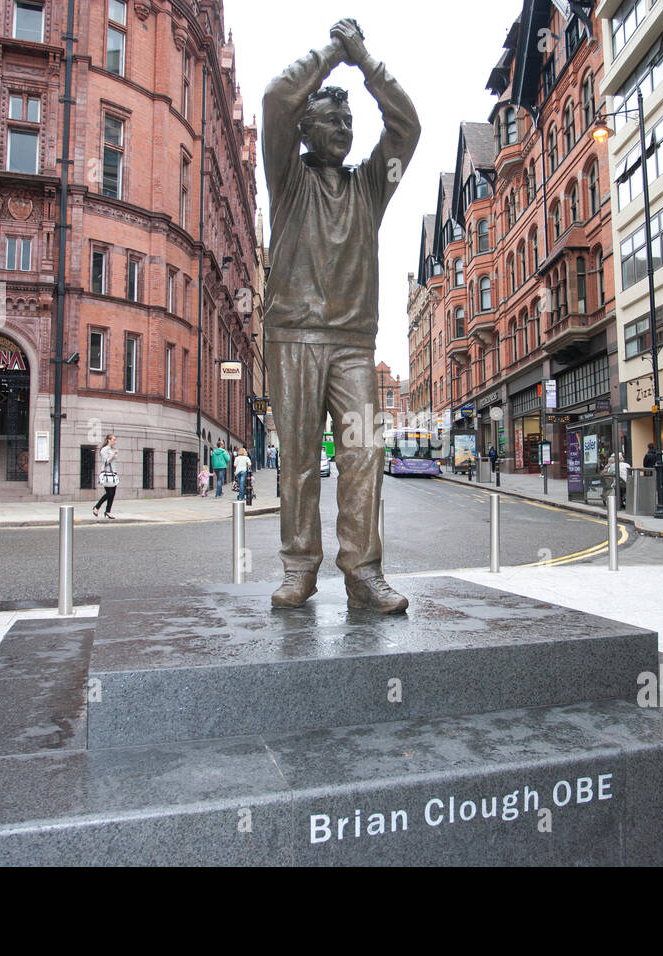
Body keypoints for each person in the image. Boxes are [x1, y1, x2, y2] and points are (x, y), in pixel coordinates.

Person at [261, 18, 419, 613]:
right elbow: (277, 96)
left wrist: (366, 61)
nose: (345, 129)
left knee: (363, 456)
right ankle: (300, 566)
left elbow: (407, 126)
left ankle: (363, 572)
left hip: (353, 343)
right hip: (294, 337)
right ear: (305, 128)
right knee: (299, 461)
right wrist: (332, 52)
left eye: (350, 122)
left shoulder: (371, 185)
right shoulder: (287, 177)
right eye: (332, 119)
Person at [92, 434, 119, 519]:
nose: (115, 441)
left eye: (115, 440)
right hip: (107, 474)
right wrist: (113, 454)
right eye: (114, 439)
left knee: (112, 494)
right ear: (109, 440)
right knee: (109, 493)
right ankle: (96, 507)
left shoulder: (112, 449)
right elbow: (106, 462)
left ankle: (108, 511)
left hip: (113, 474)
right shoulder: (104, 450)